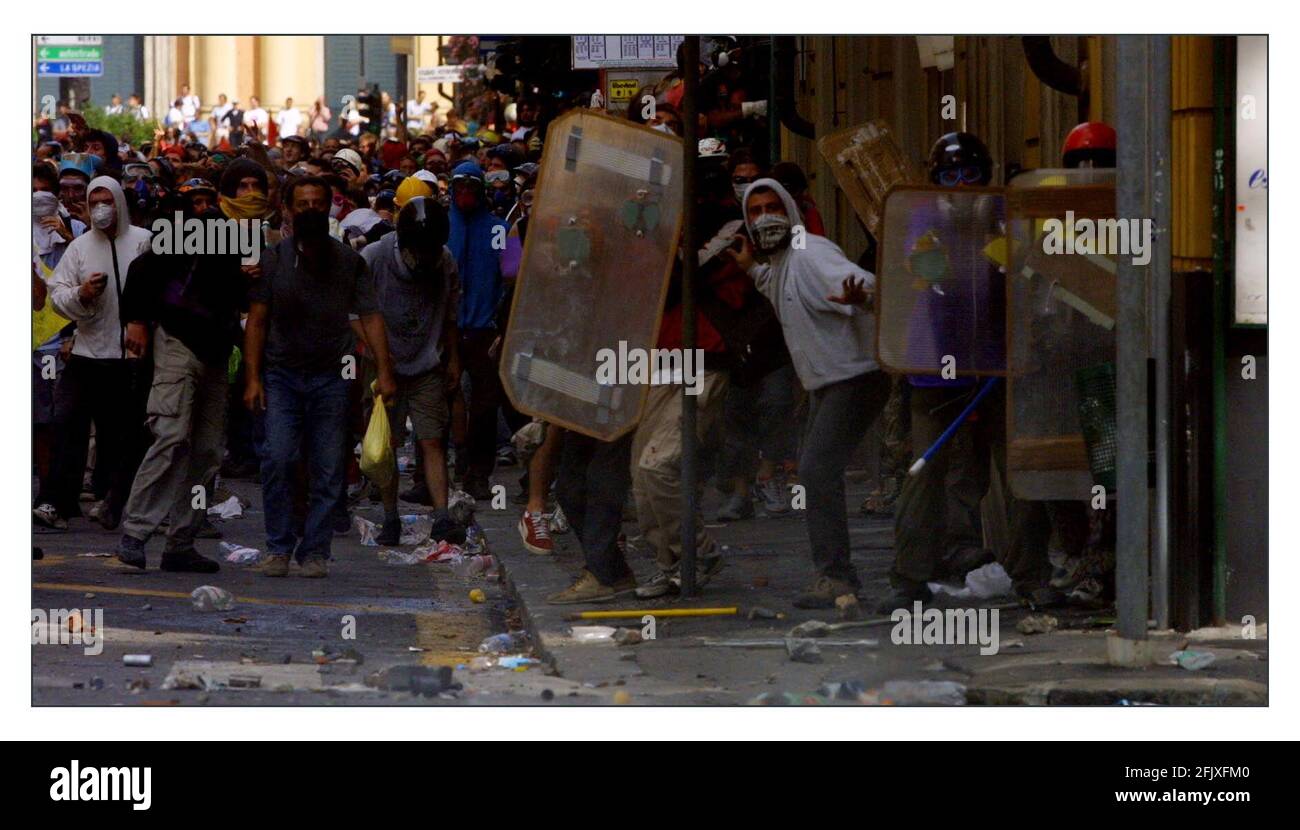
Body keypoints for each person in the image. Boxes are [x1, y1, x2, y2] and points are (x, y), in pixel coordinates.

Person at [728, 178, 888, 612]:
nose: (764, 217)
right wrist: (751, 269)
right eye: (755, 210)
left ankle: (835, 577)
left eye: (771, 207)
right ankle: (835, 574)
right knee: (818, 472)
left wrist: (861, 296)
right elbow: (777, 284)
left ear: (791, 210)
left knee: (817, 472)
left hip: (854, 378)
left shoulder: (812, 253)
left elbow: (863, 284)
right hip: (830, 383)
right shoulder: (783, 264)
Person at [244, 176, 397, 578]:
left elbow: (370, 316)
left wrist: (384, 371)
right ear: (289, 211)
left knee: (329, 466)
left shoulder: (349, 262)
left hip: (332, 376)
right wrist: (253, 378)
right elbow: (257, 322)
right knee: (278, 458)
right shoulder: (273, 259)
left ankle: (314, 550)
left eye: (317, 203)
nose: (310, 210)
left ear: (328, 208)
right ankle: (278, 547)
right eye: (302, 204)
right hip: (281, 376)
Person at [882, 131, 1006, 612]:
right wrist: (940, 261)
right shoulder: (925, 215)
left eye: (970, 174)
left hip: (996, 363)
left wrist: (1008, 258)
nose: (961, 186)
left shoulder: (1000, 215)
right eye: (950, 176)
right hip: (934, 362)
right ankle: (909, 576)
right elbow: (929, 270)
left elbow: (1017, 273)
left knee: (1010, 470)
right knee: (925, 471)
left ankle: (1031, 572)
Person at [113, 190, 249, 572]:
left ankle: (182, 541)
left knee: (207, 453)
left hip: (216, 355)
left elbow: (237, 300)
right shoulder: (188, 234)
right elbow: (142, 272)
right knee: (170, 436)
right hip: (178, 342)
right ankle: (136, 532)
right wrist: (137, 320)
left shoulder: (238, 242)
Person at [33, 177, 153, 531]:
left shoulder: (143, 242)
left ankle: (111, 499)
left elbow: (157, 293)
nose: (101, 208)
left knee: (120, 432)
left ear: (120, 202)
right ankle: (56, 502)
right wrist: (82, 295)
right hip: (87, 352)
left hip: (129, 358)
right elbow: (58, 296)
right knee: (67, 423)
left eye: (107, 201)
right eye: (95, 201)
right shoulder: (81, 248)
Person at [362, 197, 462, 545]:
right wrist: (381, 362)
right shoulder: (374, 258)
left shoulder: (444, 261)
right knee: (386, 445)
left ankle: (442, 516)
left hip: (425, 363)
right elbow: (354, 315)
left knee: (432, 439)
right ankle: (390, 518)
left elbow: (449, 311)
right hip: (382, 364)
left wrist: (452, 357)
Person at [447, 160, 508, 500]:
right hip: (449, 328)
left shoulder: (499, 229)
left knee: (485, 405)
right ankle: (444, 468)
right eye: (460, 188)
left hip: (486, 329)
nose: (465, 194)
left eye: (472, 187)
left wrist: (503, 321)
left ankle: (479, 472)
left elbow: (513, 275)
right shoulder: (441, 226)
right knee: (445, 399)